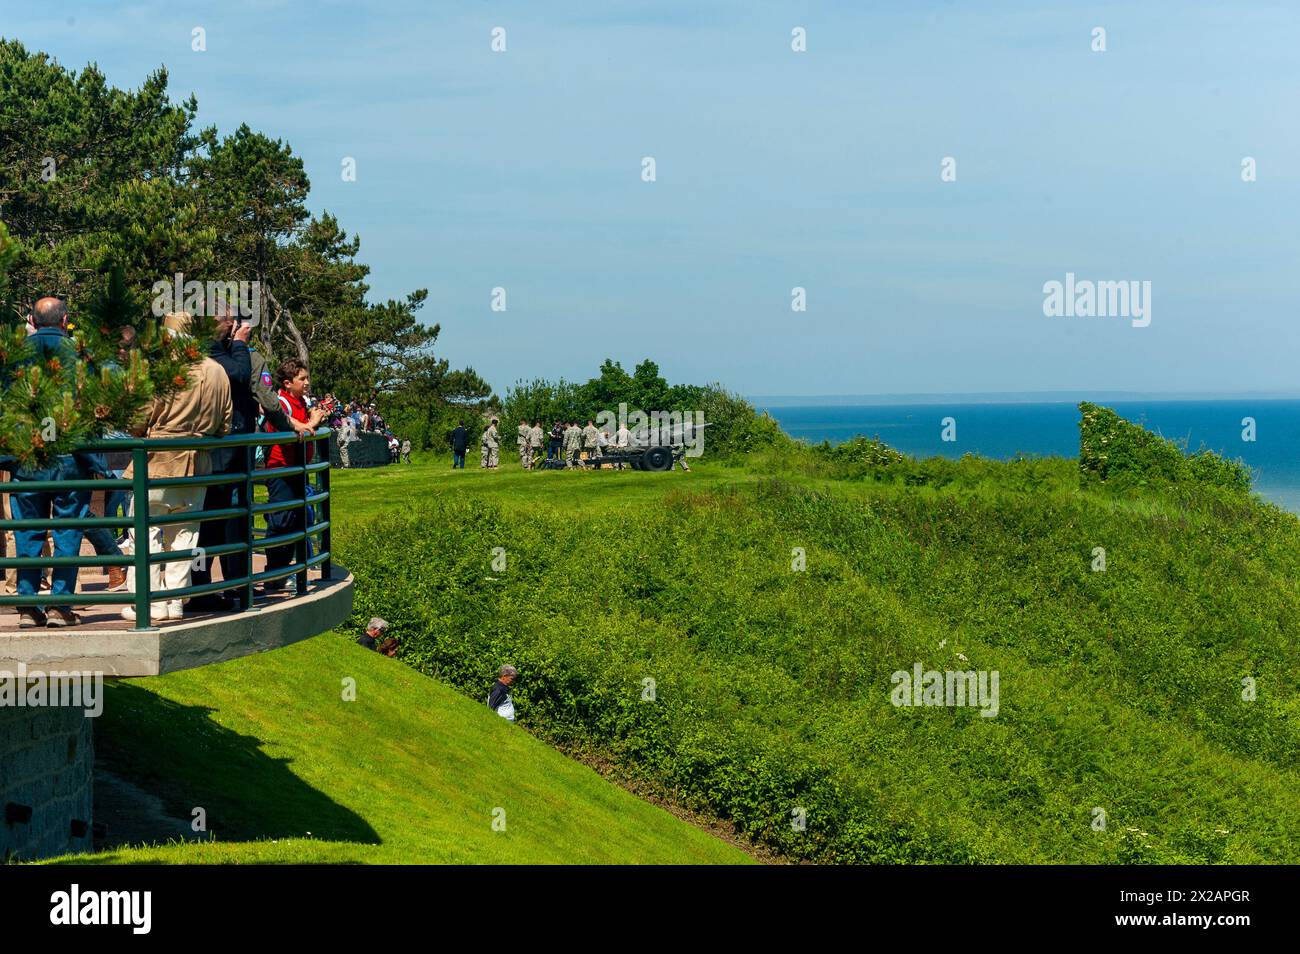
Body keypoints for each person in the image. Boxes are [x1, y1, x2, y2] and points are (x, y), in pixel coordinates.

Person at [122, 312, 233, 624]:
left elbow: (137, 422)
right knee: (185, 537)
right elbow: (225, 424)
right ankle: (175, 601)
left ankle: (149, 601)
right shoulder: (217, 370)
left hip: (158, 462)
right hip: (199, 464)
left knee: (146, 533)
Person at [5, 297, 92, 627]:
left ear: (31, 319)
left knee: (28, 531)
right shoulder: (78, 354)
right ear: (65, 319)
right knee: (67, 530)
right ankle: (59, 606)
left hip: (27, 453)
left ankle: (28, 606)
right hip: (68, 454)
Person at [260, 358, 326, 595]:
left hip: (296, 469)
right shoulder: (282, 405)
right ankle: (274, 575)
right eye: (302, 379)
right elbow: (296, 433)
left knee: (295, 522)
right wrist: (313, 422)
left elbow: (305, 430)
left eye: (307, 377)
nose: (307, 382)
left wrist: (311, 421)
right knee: (281, 522)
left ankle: (283, 573)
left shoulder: (300, 401)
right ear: (288, 383)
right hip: (280, 470)